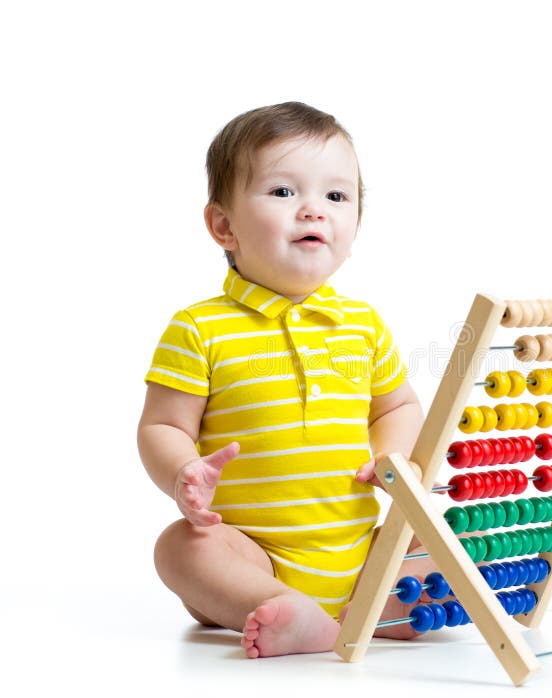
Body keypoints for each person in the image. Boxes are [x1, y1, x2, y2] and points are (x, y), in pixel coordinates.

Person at [138, 102, 427, 658]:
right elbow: (161, 424)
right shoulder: (199, 328)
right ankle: (285, 611)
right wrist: (182, 472)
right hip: (251, 553)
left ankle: (377, 604)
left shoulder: (362, 325)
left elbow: (396, 408)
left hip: (360, 548)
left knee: (448, 534)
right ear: (224, 226)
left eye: (337, 197)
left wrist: (393, 462)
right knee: (181, 550)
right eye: (283, 192)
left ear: (354, 226)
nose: (314, 211)